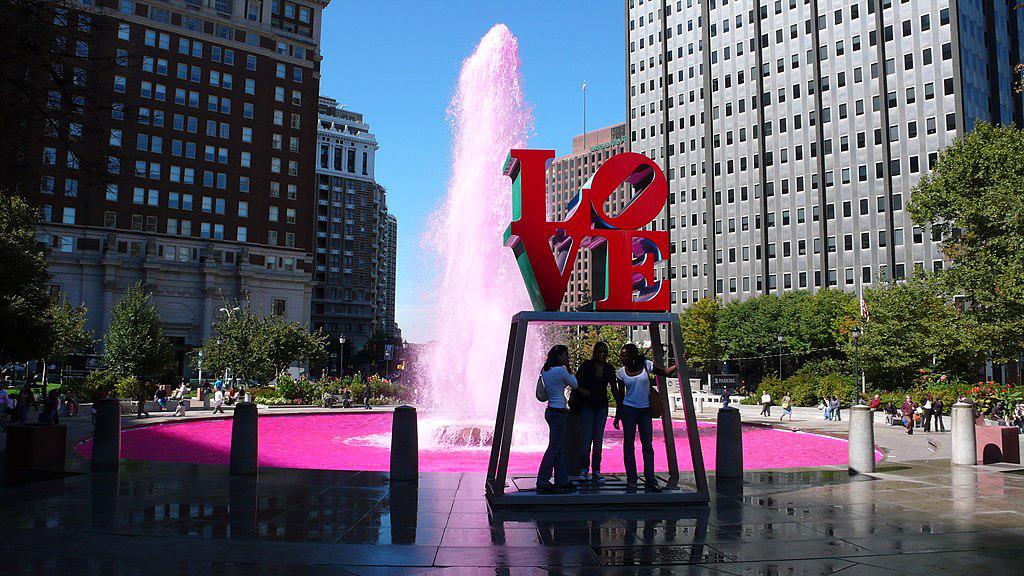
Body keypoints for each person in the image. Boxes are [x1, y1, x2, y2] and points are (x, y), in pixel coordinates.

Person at [612, 343, 676, 492]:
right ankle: (632, 479)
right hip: (628, 411)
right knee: (628, 445)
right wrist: (617, 416)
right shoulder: (621, 373)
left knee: (647, 445)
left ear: (633, 355)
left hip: (645, 411)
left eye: (625, 355)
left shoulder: (647, 365)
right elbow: (620, 396)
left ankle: (650, 479)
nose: (622, 358)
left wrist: (678, 364)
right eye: (621, 355)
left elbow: (665, 372)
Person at [536, 344, 579, 494]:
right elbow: (574, 384)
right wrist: (569, 368)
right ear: (560, 356)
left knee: (558, 447)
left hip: (550, 411)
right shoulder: (561, 370)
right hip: (559, 412)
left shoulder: (545, 370)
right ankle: (542, 480)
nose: (567, 358)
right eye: (566, 355)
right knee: (554, 447)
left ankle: (562, 480)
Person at [574, 342, 614, 483]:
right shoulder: (587, 366)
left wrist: (620, 408)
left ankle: (596, 470)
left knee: (598, 441)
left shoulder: (609, 368)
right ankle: (584, 469)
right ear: (595, 352)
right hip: (587, 406)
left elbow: (614, 389)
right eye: (599, 351)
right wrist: (581, 390)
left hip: (601, 407)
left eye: (605, 351)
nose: (602, 354)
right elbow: (575, 381)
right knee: (586, 440)